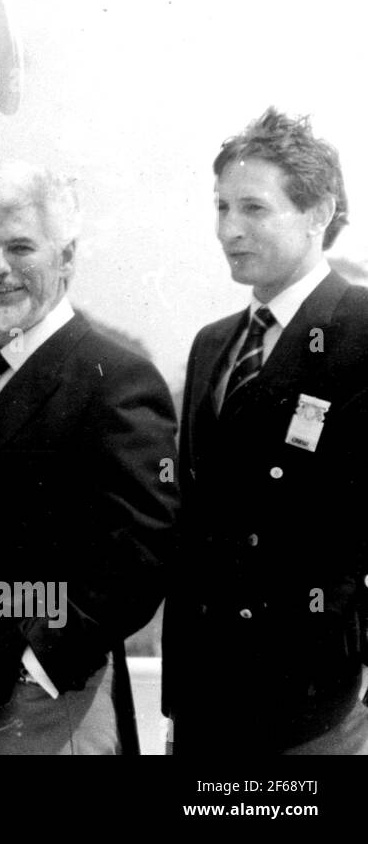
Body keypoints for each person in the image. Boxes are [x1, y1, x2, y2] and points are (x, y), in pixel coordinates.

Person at [0, 161, 179, 754]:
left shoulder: (115, 375)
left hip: (49, 710)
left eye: (20, 247)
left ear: (68, 256)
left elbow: (141, 549)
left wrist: (44, 665)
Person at [163, 108, 368, 755]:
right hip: (207, 698)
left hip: (315, 702)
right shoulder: (212, 345)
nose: (229, 230)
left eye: (253, 208)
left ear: (318, 211)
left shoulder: (361, 329)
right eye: (221, 208)